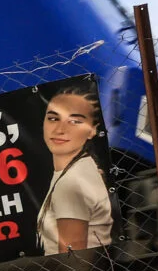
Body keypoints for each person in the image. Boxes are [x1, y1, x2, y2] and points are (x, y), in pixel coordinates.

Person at [36, 77, 112, 255]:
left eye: (75, 121)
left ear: (93, 129)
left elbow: (73, 259)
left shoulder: (71, 182)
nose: (59, 130)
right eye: (53, 118)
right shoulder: (81, 168)